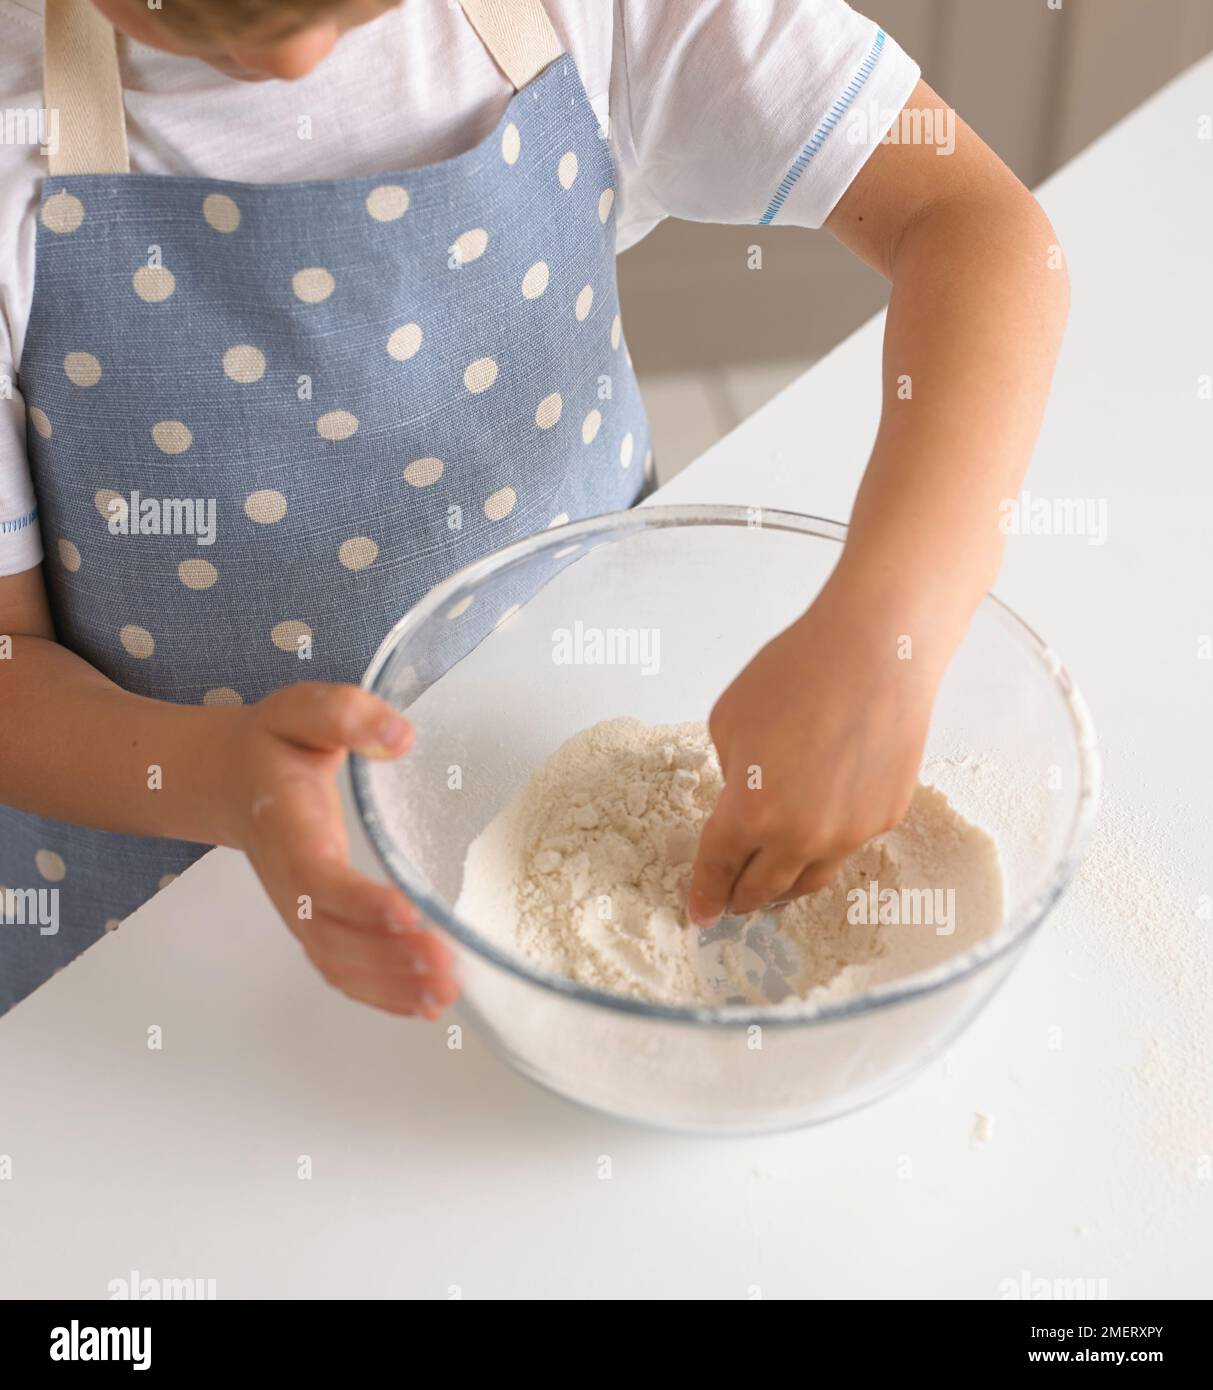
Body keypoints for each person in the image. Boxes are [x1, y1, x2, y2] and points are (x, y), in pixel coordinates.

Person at [0, 0, 1068, 1017]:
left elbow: (976, 225)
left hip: (572, 750)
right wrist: (216, 779)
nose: (293, 58)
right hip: (175, 901)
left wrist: (891, 628)